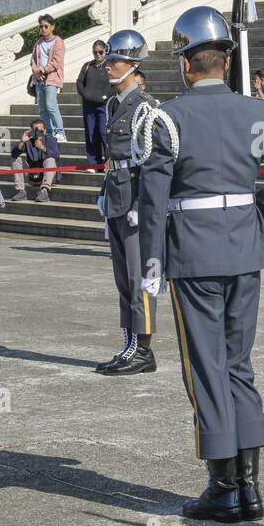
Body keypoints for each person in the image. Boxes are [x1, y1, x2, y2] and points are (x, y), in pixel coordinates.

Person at [136, 5, 264, 522]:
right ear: (227, 63)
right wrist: (256, 210)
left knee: (206, 368)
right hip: (244, 249)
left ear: (185, 64)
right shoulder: (257, 114)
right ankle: (251, 487)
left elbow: (152, 199)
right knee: (238, 363)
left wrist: (150, 261)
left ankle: (223, 487)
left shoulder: (166, 118)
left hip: (193, 252)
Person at [94, 29, 160, 376]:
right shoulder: (113, 103)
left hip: (134, 198)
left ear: (133, 65)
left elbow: (150, 160)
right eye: (107, 58)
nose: (107, 65)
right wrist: (106, 193)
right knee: (123, 278)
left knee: (138, 278)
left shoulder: (145, 108)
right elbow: (112, 157)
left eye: (115, 60)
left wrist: (142, 202)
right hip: (117, 193)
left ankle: (144, 350)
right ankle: (129, 344)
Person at [30, 14, 68, 143]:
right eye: (41, 26)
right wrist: (36, 71)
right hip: (39, 80)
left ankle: (60, 132)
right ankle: (49, 133)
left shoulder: (58, 42)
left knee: (51, 105)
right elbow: (33, 60)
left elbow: (57, 62)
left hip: (51, 78)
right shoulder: (38, 43)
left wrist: (42, 70)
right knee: (42, 108)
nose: (43, 29)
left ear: (52, 27)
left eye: (46, 26)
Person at [76, 40, 111, 165]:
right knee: (91, 134)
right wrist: (85, 94)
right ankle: (93, 163)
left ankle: (108, 161)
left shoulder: (109, 66)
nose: (98, 55)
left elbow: (115, 83)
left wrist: (106, 97)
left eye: (100, 52)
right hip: (88, 105)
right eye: (95, 52)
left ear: (105, 51)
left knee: (103, 133)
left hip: (103, 106)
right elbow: (79, 82)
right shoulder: (87, 66)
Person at [10, 119, 60, 202]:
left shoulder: (51, 140)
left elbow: (57, 156)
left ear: (45, 131)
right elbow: (13, 154)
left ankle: (44, 191)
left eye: (41, 131)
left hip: (48, 175)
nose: (38, 133)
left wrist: (43, 148)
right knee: (16, 159)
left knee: (51, 160)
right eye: (35, 130)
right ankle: (21, 191)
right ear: (31, 131)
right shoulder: (28, 141)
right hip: (32, 174)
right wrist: (22, 141)